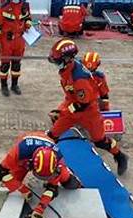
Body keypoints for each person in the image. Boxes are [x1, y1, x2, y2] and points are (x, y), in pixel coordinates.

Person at [46, 39, 128, 175]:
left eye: (58, 61)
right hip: (73, 107)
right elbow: (71, 98)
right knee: (52, 135)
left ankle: (120, 156)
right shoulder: (69, 68)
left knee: (100, 141)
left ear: (67, 59)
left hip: (89, 112)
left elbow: (83, 104)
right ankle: (47, 161)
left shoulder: (80, 80)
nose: (56, 64)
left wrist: (64, 112)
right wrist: (63, 110)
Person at [0, 131, 82, 218]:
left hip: (45, 146)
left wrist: (39, 210)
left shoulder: (58, 160)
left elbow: (52, 189)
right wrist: (22, 189)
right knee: (11, 185)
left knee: (68, 181)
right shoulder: (19, 151)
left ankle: (74, 181)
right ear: (31, 165)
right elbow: (0, 172)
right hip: (27, 151)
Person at [0, 0, 32, 97]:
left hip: (19, 40)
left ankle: (14, 85)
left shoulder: (25, 6)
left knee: (16, 64)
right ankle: (4, 86)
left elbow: (28, 17)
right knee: (5, 65)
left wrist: (28, 23)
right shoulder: (3, 8)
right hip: (6, 41)